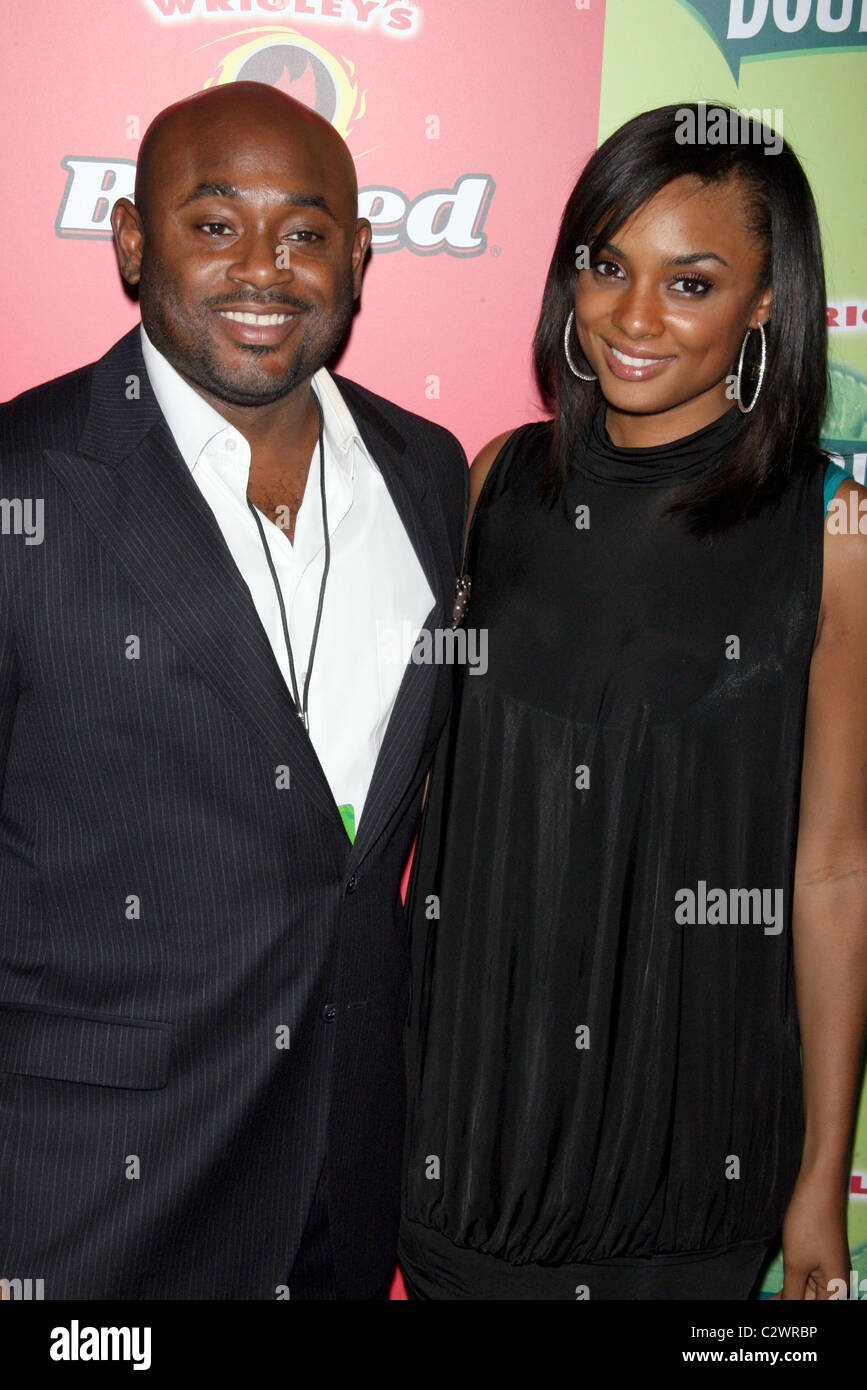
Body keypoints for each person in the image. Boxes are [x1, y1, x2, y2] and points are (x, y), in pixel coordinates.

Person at [0, 81, 467, 1300]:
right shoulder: (20, 483)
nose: (265, 267)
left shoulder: (430, 476)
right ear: (131, 238)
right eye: (214, 224)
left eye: (307, 232)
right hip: (80, 1201)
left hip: (346, 1186)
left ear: (360, 256)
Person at [399, 103, 867, 1300]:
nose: (632, 317)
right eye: (606, 265)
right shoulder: (494, 480)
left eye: (692, 282)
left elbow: (832, 873)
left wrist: (822, 1176)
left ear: (769, 303)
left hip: (685, 1170)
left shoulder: (833, 536)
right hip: (464, 1153)